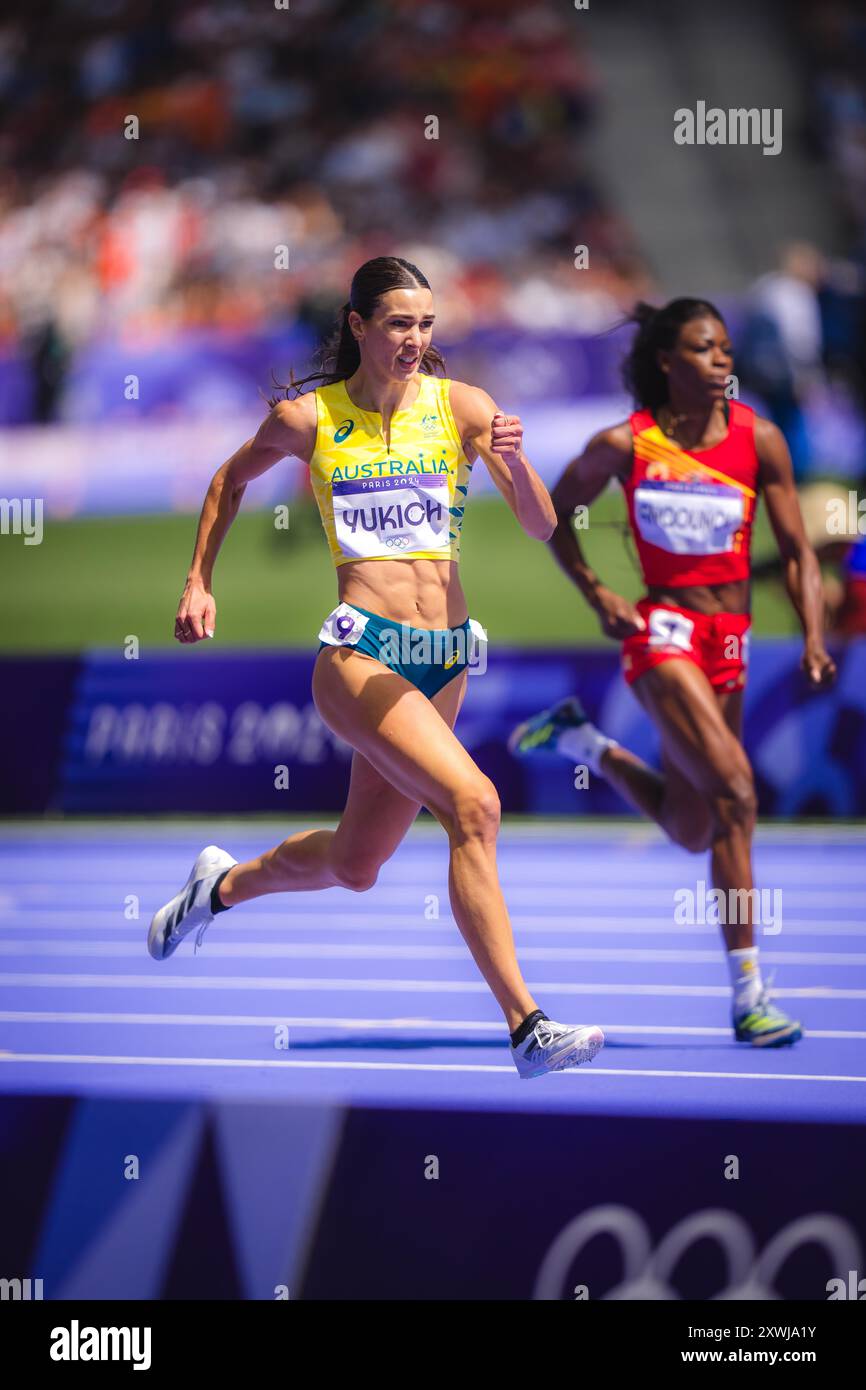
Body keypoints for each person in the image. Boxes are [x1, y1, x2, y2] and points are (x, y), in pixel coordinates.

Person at [147, 256, 605, 1079]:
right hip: (359, 656)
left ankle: (216, 890)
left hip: (445, 659)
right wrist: (196, 579)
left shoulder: (462, 406)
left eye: (426, 324)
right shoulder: (308, 418)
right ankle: (527, 1026)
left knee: (358, 865)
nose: (415, 339)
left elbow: (540, 524)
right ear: (358, 325)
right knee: (475, 803)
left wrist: (516, 458)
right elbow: (227, 479)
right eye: (398, 323)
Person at [510, 298, 837, 1047]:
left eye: (725, 348)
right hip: (661, 633)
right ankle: (750, 996)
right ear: (667, 362)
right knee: (737, 792)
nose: (723, 360)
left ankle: (583, 743)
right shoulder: (627, 444)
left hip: (731, 639)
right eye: (703, 349)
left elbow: (794, 553)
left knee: (695, 827)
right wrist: (598, 595)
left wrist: (814, 636)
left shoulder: (762, 441)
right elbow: (553, 516)